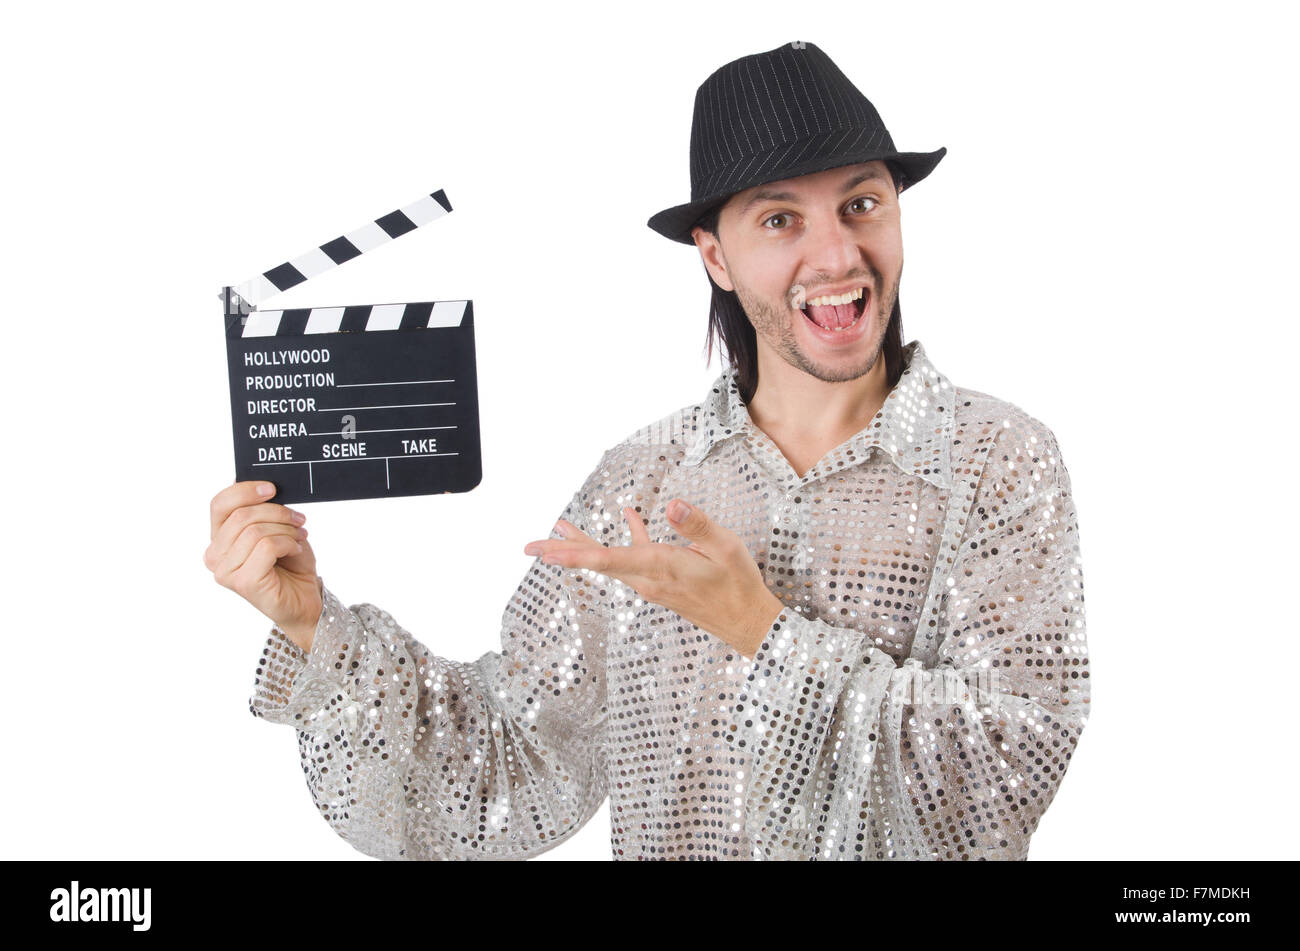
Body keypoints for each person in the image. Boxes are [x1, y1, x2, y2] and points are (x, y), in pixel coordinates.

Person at [205, 41, 1090, 861]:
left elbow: (1002, 771)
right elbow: (509, 765)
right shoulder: (640, 482)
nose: (835, 252)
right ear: (714, 256)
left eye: (862, 203)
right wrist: (313, 625)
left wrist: (763, 632)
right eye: (779, 220)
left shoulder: (997, 461)